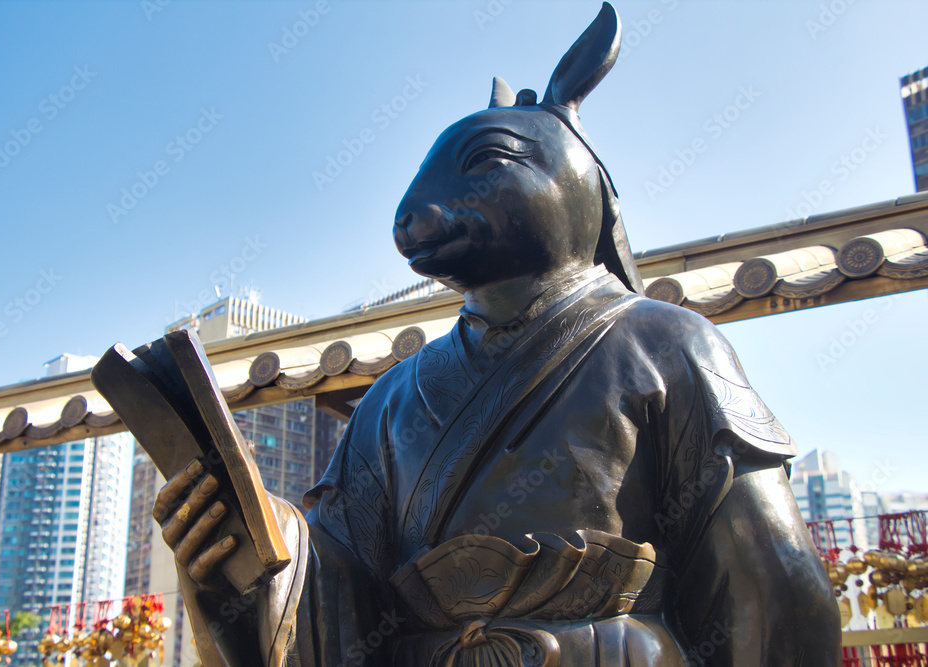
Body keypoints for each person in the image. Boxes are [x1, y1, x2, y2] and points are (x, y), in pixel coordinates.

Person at [152, 4, 841, 665]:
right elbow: (340, 588)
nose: (418, 210)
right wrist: (243, 547)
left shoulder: (666, 343)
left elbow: (767, 582)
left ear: (578, 180)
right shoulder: (391, 400)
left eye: (487, 159)